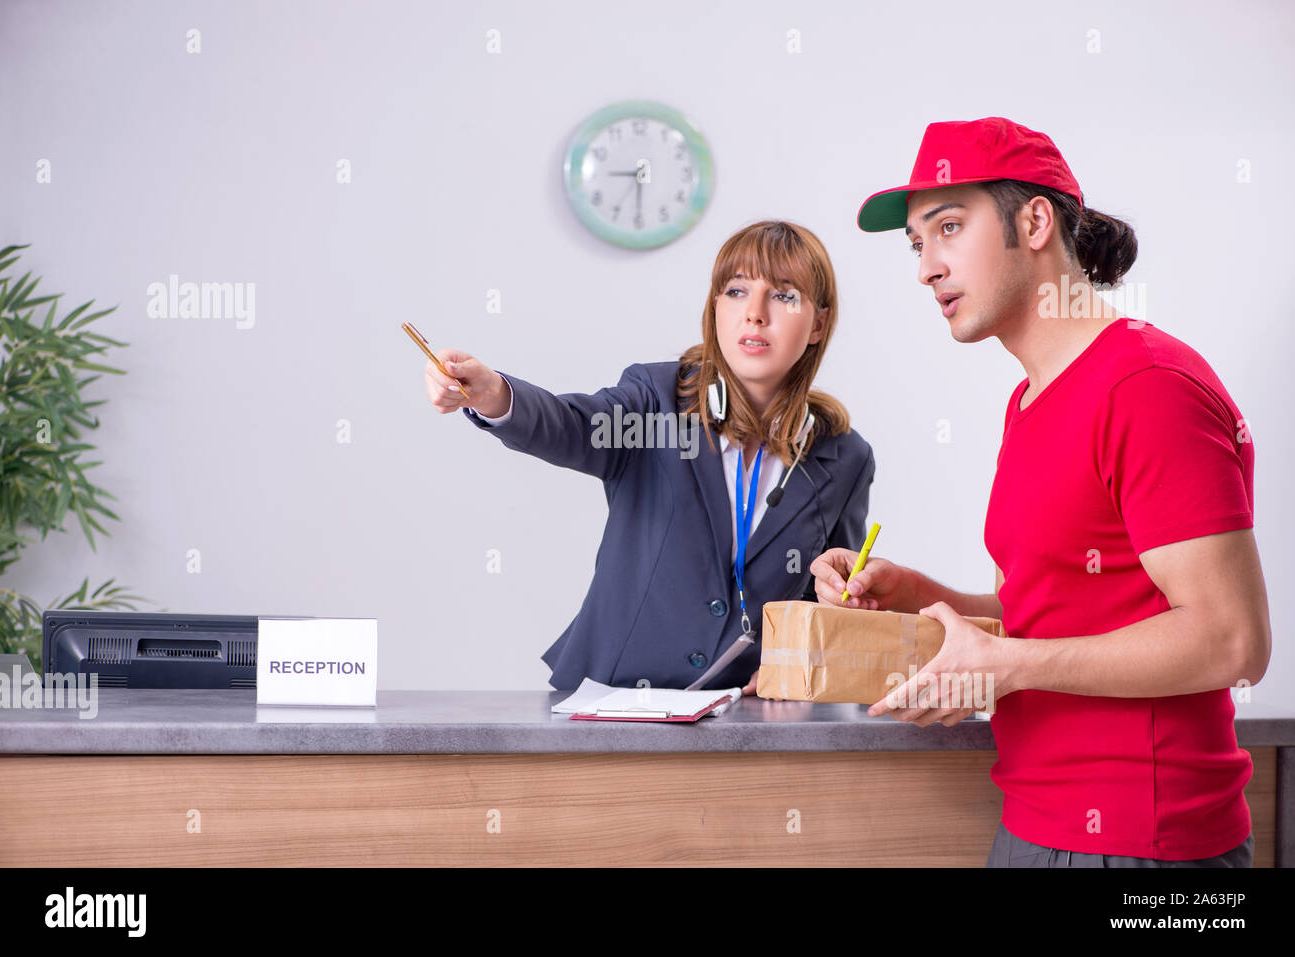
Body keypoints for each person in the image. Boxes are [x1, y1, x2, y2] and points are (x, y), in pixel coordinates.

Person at [813, 116, 1269, 867]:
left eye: (949, 227)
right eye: (917, 243)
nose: (927, 266)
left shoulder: (1147, 388)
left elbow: (1233, 640)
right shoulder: (1030, 401)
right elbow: (1065, 613)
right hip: (1036, 822)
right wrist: (922, 595)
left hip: (1142, 840)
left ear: (1033, 221)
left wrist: (1008, 666)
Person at [425, 220, 875, 692]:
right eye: (737, 291)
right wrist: (495, 393)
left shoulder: (844, 457)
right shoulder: (656, 400)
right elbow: (572, 426)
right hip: (612, 701)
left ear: (818, 324)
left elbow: (828, 598)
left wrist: (799, 659)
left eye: (784, 296)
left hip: (743, 713)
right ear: (715, 308)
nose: (755, 314)